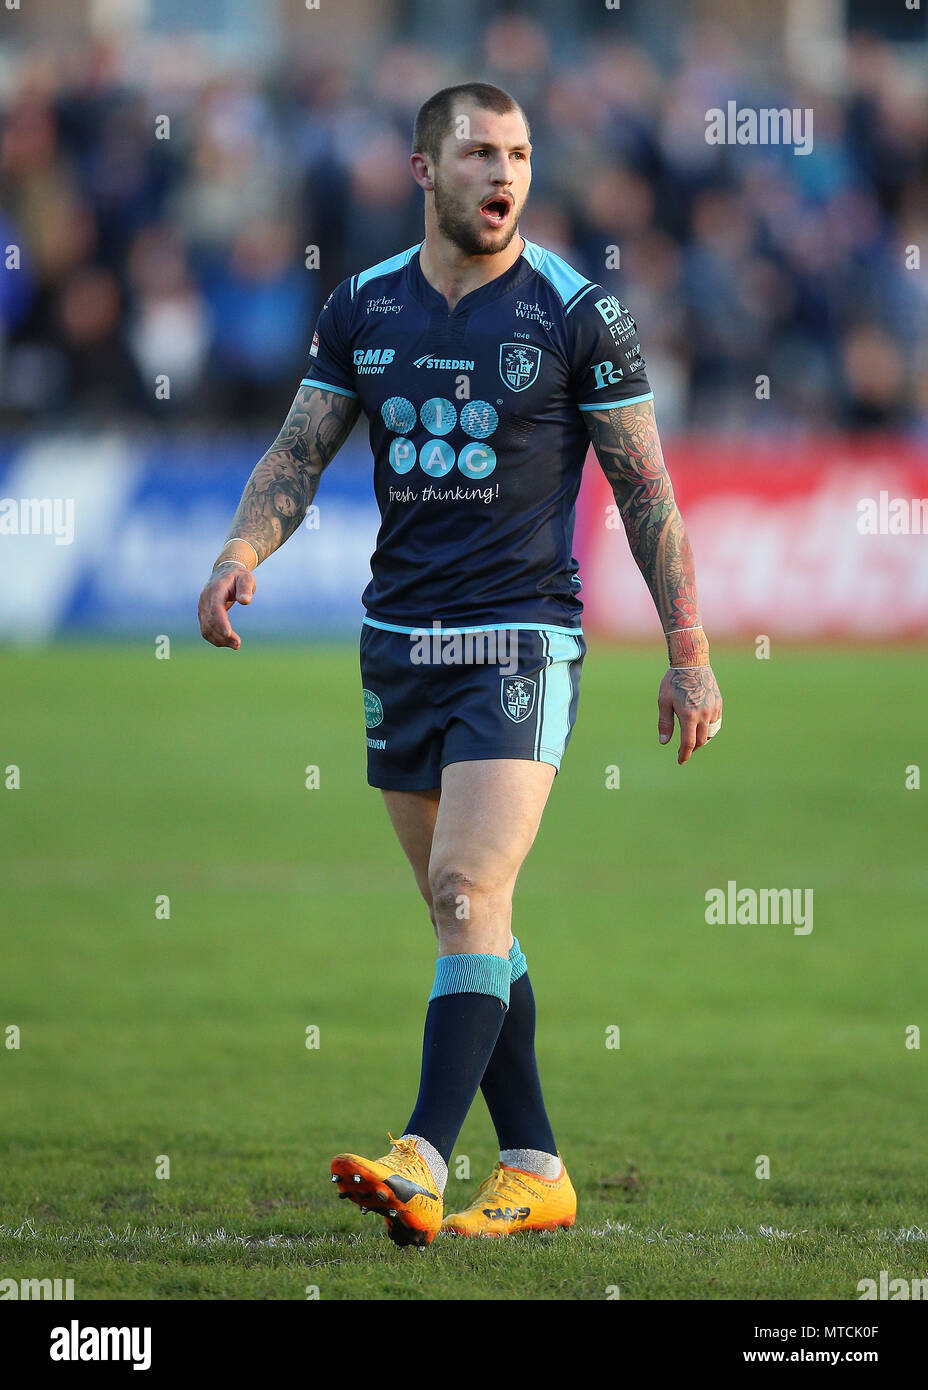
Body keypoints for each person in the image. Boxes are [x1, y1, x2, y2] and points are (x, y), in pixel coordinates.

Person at [197, 82, 723, 1248]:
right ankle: (534, 1166)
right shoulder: (363, 305)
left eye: (522, 154)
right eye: (481, 152)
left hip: (520, 639)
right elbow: (302, 447)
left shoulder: (579, 312)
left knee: (464, 892)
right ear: (424, 169)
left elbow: (647, 495)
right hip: (400, 646)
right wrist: (243, 545)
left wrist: (688, 651)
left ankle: (422, 1156)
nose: (506, 174)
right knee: (469, 923)